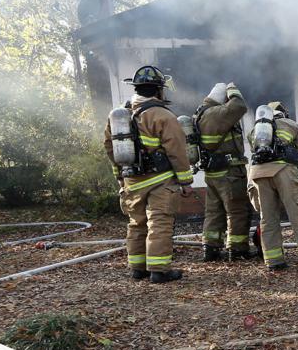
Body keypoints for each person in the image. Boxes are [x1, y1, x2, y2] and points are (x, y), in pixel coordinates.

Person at [104, 65, 193, 283]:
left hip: (132, 180)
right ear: (158, 90)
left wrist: (119, 176)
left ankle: (137, 268)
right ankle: (159, 270)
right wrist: (185, 181)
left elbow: (109, 147)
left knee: (136, 223)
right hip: (160, 181)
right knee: (159, 223)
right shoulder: (163, 115)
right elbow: (177, 150)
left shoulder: (120, 116)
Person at [247, 101, 298, 271]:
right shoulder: (291, 124)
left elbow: (254, 150)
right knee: (297, 214)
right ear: (282, 112)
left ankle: (274, 261)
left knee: (267, 218)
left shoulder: (255, 130)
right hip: (284, 171)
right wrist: (295, 171)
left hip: (258, 174)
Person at [195, 82, 253, 261]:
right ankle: (237, 249)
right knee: (237, 210)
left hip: (213, 173)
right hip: (229, 173)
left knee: (214, 211)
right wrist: (233, 89)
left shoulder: (200, 114)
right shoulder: (217, 113)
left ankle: (210, 248)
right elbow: (240, 106)